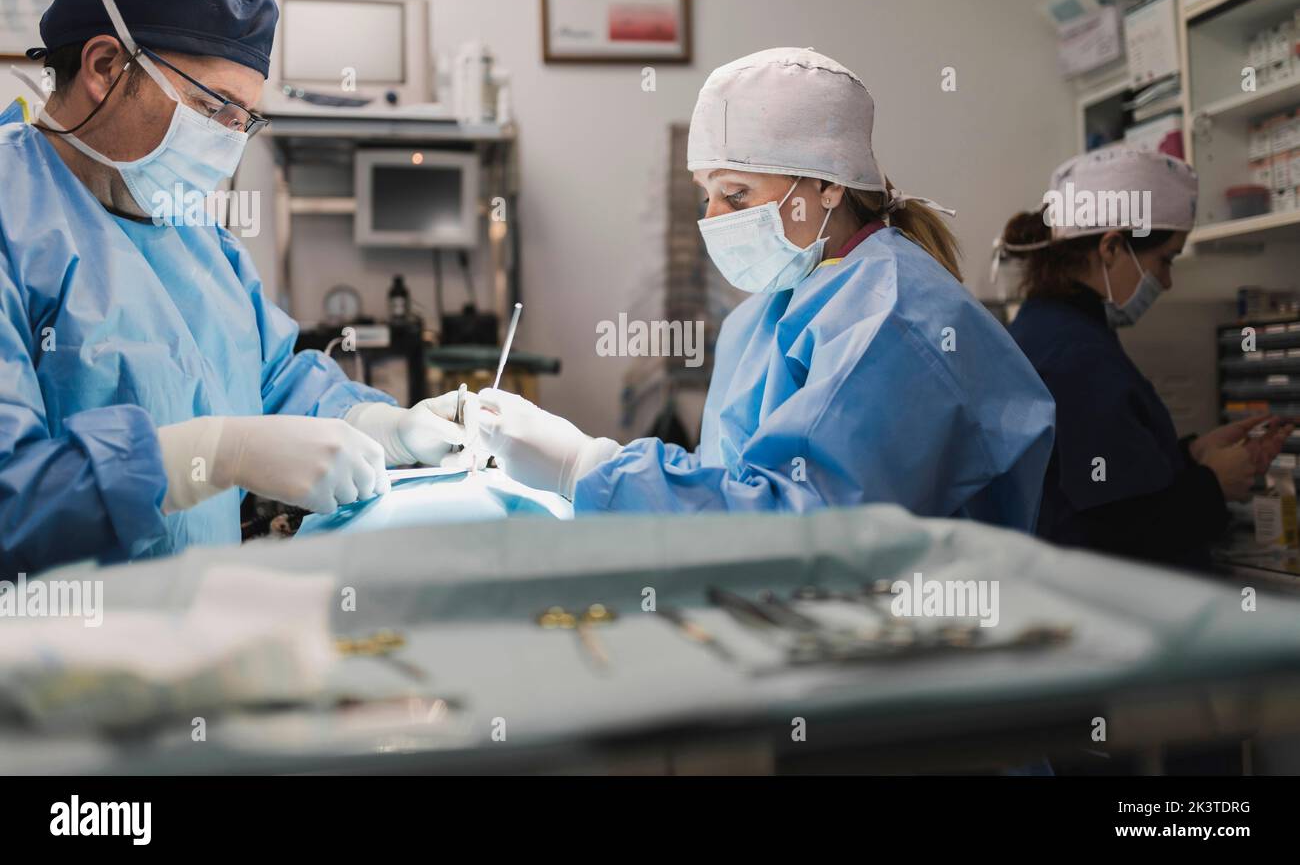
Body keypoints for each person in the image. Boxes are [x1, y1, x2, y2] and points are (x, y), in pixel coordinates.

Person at [0, 0, 465, 578]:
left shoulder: (191, 229)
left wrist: (377, 423)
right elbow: (13, 496)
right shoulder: (13, 217)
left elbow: (269, 375)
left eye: (243, 119)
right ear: (106, 66)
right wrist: (209, 455)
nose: (227, 140)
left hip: (190, 626)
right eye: (211, 106)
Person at [471, 48, 1055, 529]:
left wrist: (588, 467)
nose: (714, 216)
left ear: (828, 187)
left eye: (738, 193)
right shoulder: (768, 312)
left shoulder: (893, 319)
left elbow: (803, 528)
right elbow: (726, 486)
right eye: (707, 193)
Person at [997, 147, 1292, 569]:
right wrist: (1213, 485)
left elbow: (1108, 482)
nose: (1167, 281)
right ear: (1112, 248)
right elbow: (1117, 532)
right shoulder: (1077, 355)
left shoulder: (1047, 326)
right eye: (1165, 260)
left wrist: (1191, 457)